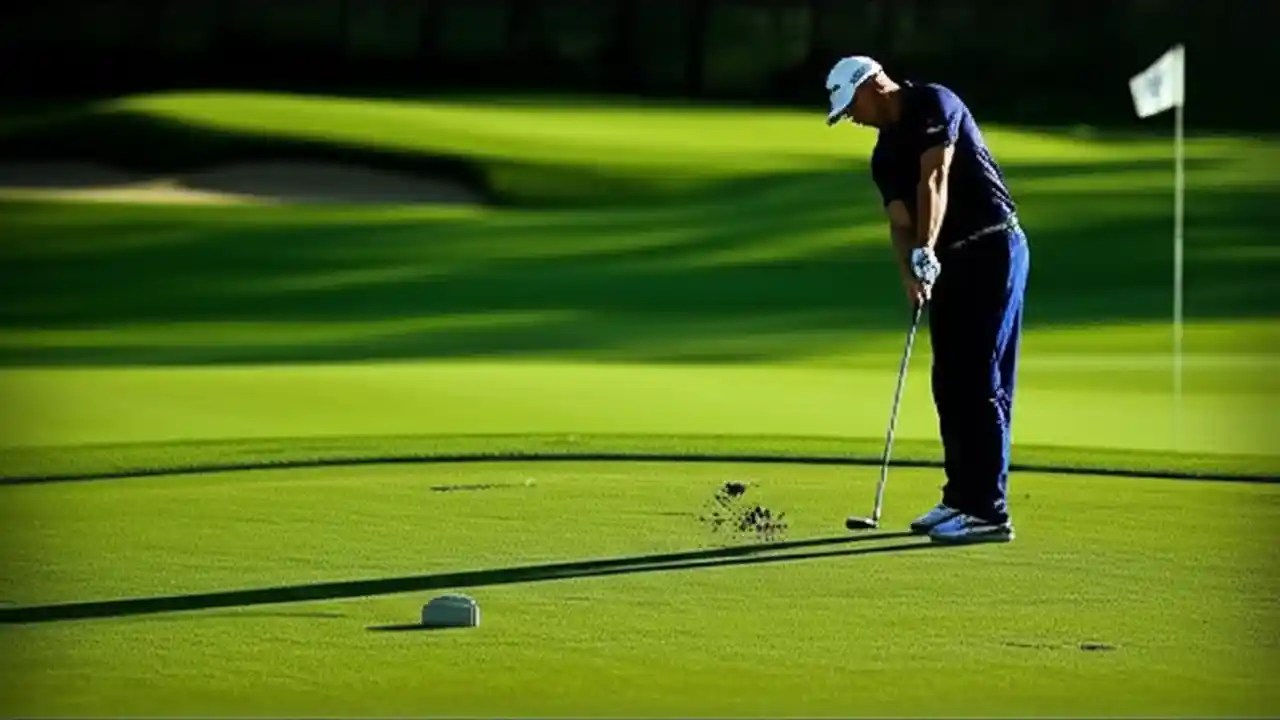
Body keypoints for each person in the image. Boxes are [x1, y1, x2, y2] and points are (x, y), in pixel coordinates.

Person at [825, 55, 1030, 544]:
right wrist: (911, 274)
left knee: (980, 376)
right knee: (948, 380)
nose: (850, 116)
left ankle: (989, 510)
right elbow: (900, 222)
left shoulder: (934, 103)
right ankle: (960, 496)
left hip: (993, 246)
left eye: (850, 104)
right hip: (947, 261)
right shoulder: (883, 155)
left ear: (874, 84)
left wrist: (925, 249)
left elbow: (934, 180)